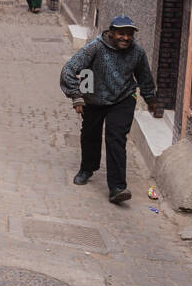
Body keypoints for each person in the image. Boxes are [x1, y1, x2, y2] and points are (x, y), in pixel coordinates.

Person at [59, 15, 164, 204]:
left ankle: (117, 187)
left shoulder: (137, 53)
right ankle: (87, 168)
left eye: (129, 35)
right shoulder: (95, 47)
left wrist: (150, 99)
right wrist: (77, 96)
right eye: (121, 34)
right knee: (90, 133)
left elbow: (144, 76)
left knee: (115, 137)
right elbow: (69, 69)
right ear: (112, 32)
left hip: (123, 97)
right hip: (94, 96)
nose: (125, 38)